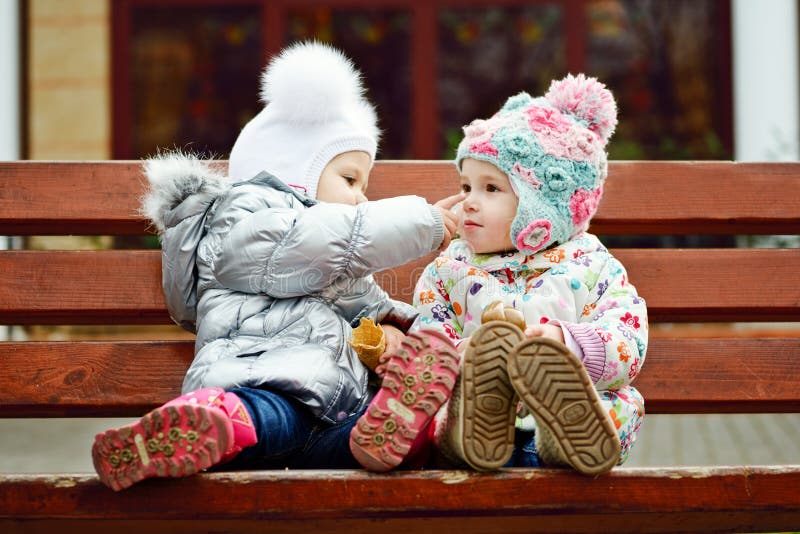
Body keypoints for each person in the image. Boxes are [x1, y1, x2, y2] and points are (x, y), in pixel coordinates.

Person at [91, 41, 462, 491]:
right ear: (294, 171)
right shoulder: (247, 217)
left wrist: (398, 327)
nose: (362, 198)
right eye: (350, 179)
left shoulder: (333, 262)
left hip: (328, 413)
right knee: (264, 418)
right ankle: (204, 423)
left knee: (360, 436)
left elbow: (363, 299)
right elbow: (315, 240)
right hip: (266, 383)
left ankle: (396, 431)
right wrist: (422, 221)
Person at [355, 74, 646, 475]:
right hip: (476, 410)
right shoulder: (449, 270)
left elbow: (627, 338)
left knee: (616, 403)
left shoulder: (593, 266)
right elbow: (430, 332)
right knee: (442, 402)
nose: (469, 202)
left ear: (543, 205)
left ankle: (563, 438)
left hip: (565, 410)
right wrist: (463, 356)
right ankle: (468, 435)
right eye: (466, 185)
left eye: (490, 189)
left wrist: (571, 344)